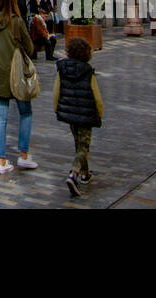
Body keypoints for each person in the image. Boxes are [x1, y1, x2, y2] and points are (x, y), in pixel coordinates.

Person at [0, 0, 38, 174]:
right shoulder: (17, 22)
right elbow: (30, 49)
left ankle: (1, 161)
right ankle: (23, 155)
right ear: (12, 2)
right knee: (26, 113)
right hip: (17, 75)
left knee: (0, 117)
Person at [54, 35, 103, 198]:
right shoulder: (88, 71)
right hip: (86, 113)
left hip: (70, 113)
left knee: (79, 143)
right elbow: (96, 95)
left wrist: (57, 109)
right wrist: (99, 112)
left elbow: (56, 91)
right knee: (84, 145)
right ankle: (73, 173)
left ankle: (85, 173)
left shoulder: (62, 69)